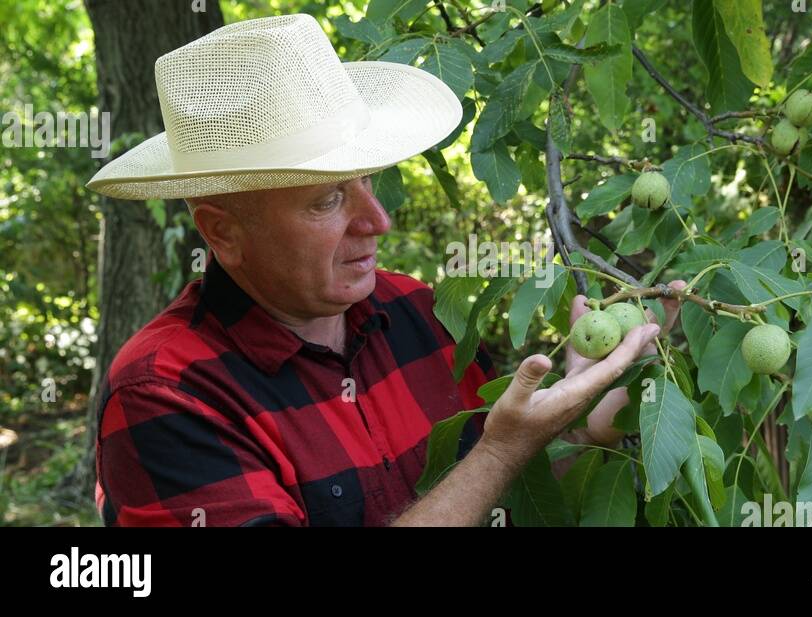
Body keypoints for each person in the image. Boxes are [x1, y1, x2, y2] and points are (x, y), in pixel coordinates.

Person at [86, 14, 684, 526]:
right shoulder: (164, 393)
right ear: (223, 232)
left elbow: (490, 498)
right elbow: (490, 467)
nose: (377, 221)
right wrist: (501, 452)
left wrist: (578, 426)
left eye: (366, 181)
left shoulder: (418, 312)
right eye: (326, 201)